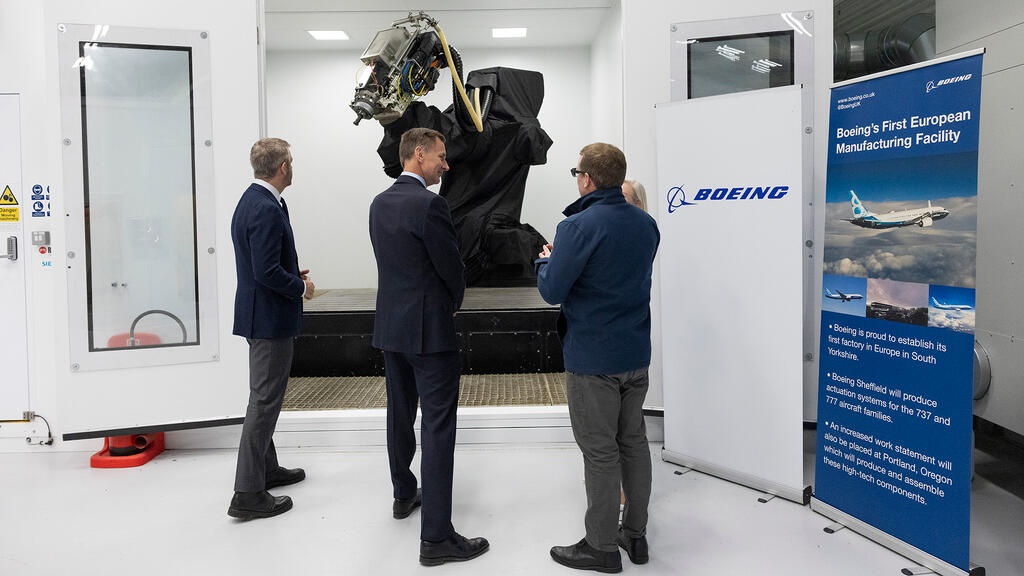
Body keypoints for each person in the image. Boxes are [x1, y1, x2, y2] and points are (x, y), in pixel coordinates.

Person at [537, 143, 660, 573]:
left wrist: (545, 262)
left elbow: (553, 291)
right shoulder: (648, 226)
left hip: (593, 359)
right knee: (634, 443)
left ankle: (602, 546)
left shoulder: (575, 228)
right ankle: (635, 533)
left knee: (600, 452)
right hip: (636, 355)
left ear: (586, 179)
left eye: (577, 172)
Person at [369, 127, 489, 566]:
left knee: (399, 414)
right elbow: (450, 266)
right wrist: (453, 304)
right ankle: (436, 538)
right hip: (430, 332)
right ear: (418, 155)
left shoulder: (379, 204)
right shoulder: (430, 204)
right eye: (440, 156)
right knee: (438, 428)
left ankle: (404, 494)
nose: (446, 164)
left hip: (391, 329)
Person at [228, 138, 315, 519]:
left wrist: (287, 273)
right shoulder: (264, 208)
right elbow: (264, 272)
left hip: (260, 313)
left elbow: (260, 263)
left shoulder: (255, 200)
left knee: (266, 398)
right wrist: (300, 287)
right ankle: (247, 493)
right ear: (282, 168)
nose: (292, 167)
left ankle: (266, 469)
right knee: (263, 402)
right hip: (268, 318)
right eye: (291, 162)